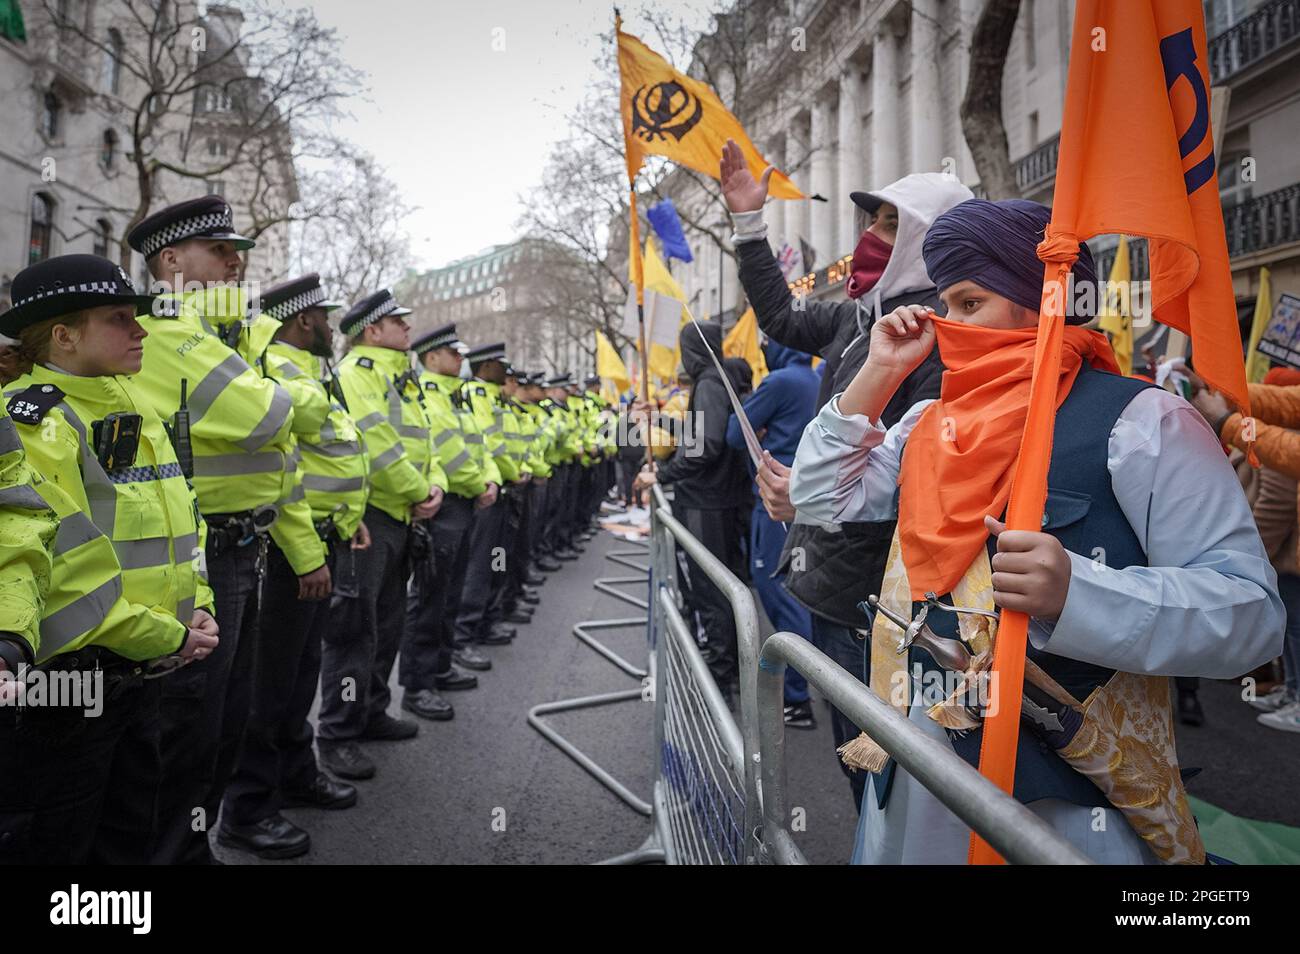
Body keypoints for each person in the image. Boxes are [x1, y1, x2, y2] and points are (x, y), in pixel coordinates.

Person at [788, 198, 1283, 864]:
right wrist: (879, 371)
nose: (948, 324)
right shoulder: (928, 421)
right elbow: (819, 495)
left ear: (1044, 298)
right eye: (944, 303)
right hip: (915, 771)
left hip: (1068, 799)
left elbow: (1253, 615)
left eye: (970, 303)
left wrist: (1081, 594)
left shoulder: (1146, 422)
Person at [720, 139, 971, 806]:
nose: (870, 236)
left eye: (891, 224)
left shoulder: (942, 337)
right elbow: (779, 314)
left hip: (883, 598)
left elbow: (924, 479)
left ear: (931, 240)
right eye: (871, 220)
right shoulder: (859, 320)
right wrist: (749, 225)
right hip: (833, 585)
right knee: (857, 757)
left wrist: (808, 498)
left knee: (887, 772)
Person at [0, 254, 218, 864]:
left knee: (126, 839)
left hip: (139, 672)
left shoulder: (131, 402)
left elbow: (183, 519)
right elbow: (66, 577)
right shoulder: (36, 423)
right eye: (120, 318)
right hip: (70, 689)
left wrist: (197, 604)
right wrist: (171, 634)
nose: (140, 330)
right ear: (64, 336)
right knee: (59, 845)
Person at [128, 196, 326, 865]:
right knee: (190, 723)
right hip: (200, 550)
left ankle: (200, 843)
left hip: (239, 545)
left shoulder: (220, 334)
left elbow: (276, 441)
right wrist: (284, 395)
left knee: (224, 715)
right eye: (219, 251)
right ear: (171, 260)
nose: (236, 263)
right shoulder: (164, 329)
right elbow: (266, 417)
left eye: (236, 251)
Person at [220, 274, 365, 858]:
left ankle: (294, 774)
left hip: (316, 538)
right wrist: (305, 554)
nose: (331, 325)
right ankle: (248, 808)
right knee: (268, 684)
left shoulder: (307, 370)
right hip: (286, 545)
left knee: (300, 672)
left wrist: (348, 519)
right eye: (325, 316)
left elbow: (331, 456)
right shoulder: (274, 369)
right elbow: (284, 471)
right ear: (304, 319)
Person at [320, 290, 446, 779]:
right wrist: (420, 490)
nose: (408, 328)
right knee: (353, 631)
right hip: (369, 517)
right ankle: (338, 734)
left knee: (388, 623)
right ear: (372, 331)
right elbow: (377, 447)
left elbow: (426, 442)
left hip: (399, 515)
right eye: (398, 322)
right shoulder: (357, 375)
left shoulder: (400, 378)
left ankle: (371, 711)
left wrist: (434, 484)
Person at [635, 321, 751, 688]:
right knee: (720, 583)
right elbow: (699, 434)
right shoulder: (714, 381)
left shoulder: (710, 383)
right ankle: (726, 662)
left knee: (709, 586)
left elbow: (706, 445)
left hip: (707, 501)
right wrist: (660, 418)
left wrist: (663, 474)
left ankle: (720, 672)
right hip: (716, 499)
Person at [402, 323, 497, 713]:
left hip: (463, 501)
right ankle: (417, 684)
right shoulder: (429, 391)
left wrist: (489, 479)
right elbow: (448, 449)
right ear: (432, 357)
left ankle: (439, 666)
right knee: (429, 596)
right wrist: (480, 485)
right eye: (454, 354)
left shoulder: (453, 393)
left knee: (449, 592)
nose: (461, 360)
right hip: (447, 505)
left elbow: (479, 445)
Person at [725, 338, 819, 727]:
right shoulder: (816, 377)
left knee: (778, 591)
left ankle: (797, 697)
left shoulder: (780, 381)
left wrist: (761, 431)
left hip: (776, 503)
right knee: (799, 591)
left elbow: (735, 432)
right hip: (809, 501)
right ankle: (809, 686)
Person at [453, 343, 526, 652]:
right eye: (500, 365)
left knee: (497, 558)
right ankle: (467, 629)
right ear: (485, 366)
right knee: (480, 564)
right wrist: (511, 472)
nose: (506, 372)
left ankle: (488, 616)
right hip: (491, 488)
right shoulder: (476, 395)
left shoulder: (492, 397)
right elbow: (491, 444)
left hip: (503, 487)